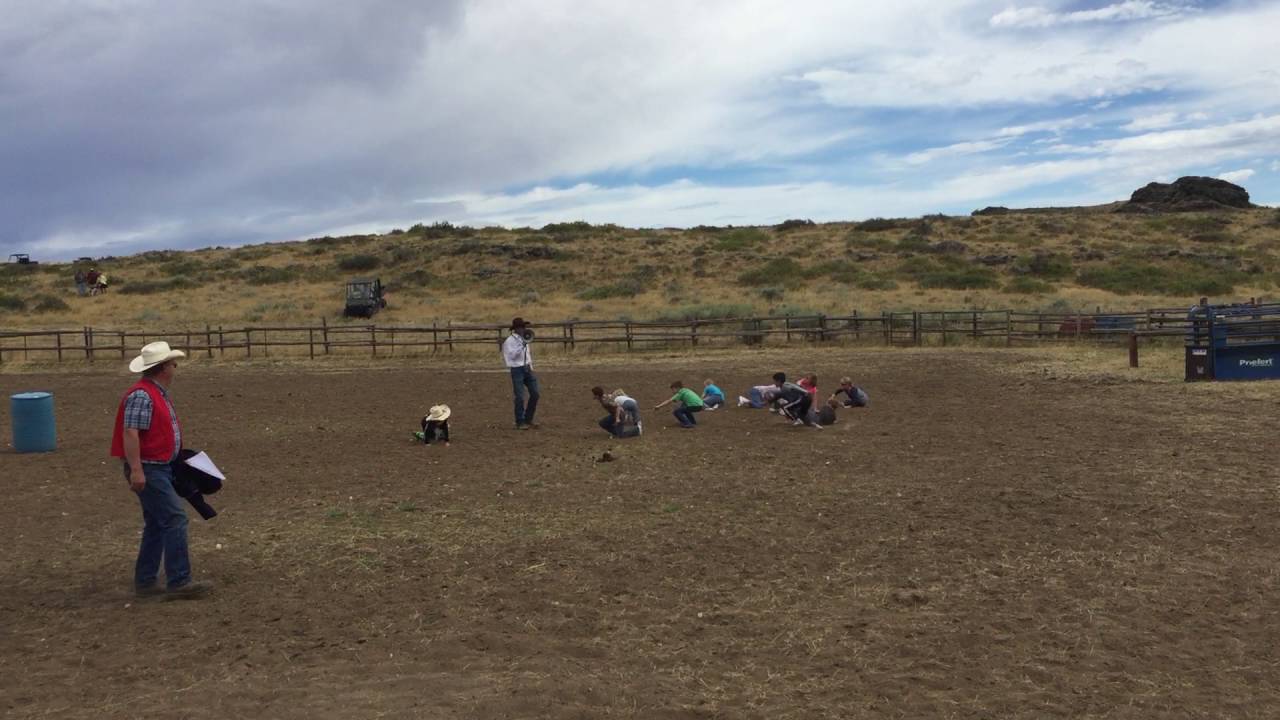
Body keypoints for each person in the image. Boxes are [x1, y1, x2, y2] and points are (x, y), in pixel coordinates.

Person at [109, 341, 211, 600]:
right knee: (175, 518)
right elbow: (130, 433)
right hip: (150, 468)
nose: (175, 367)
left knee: (157, 522)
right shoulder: (143, 395)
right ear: (163, 367)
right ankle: (178, 581)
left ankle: (146, 581)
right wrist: (136, 470)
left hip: (158, 467)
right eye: (172, 363)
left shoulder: (151, 393)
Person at [502, 317, 539, 429]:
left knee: (535, 393)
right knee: (520, 397)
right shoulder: (509, 341)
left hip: (527, 368)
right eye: (521, 327)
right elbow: (512, 356)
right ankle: (520, 421)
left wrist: (530, 366)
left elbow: (527, 355)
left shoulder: (525, 338)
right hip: (517, 369)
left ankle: (528, 418)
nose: (523, 329)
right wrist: (521, 346)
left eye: (524, 327)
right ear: (516, 329)